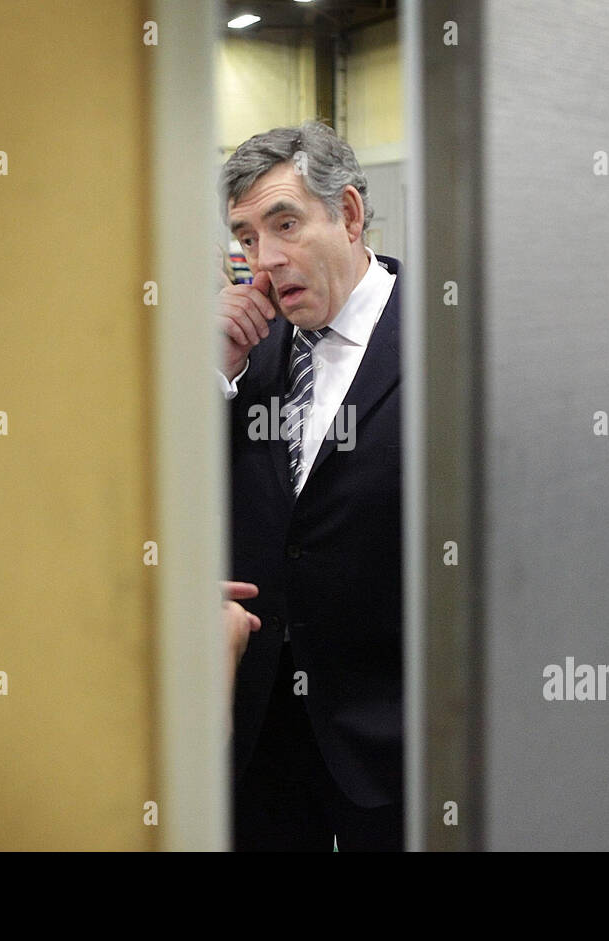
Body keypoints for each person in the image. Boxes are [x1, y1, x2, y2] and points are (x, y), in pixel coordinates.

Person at [216, 121, 403, 851]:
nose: (265, 260)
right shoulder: (245, 351)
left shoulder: (446, 339)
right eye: (246, 237)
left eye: (284, 224)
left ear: (349, 214)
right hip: (262, 738)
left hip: (392, 739)